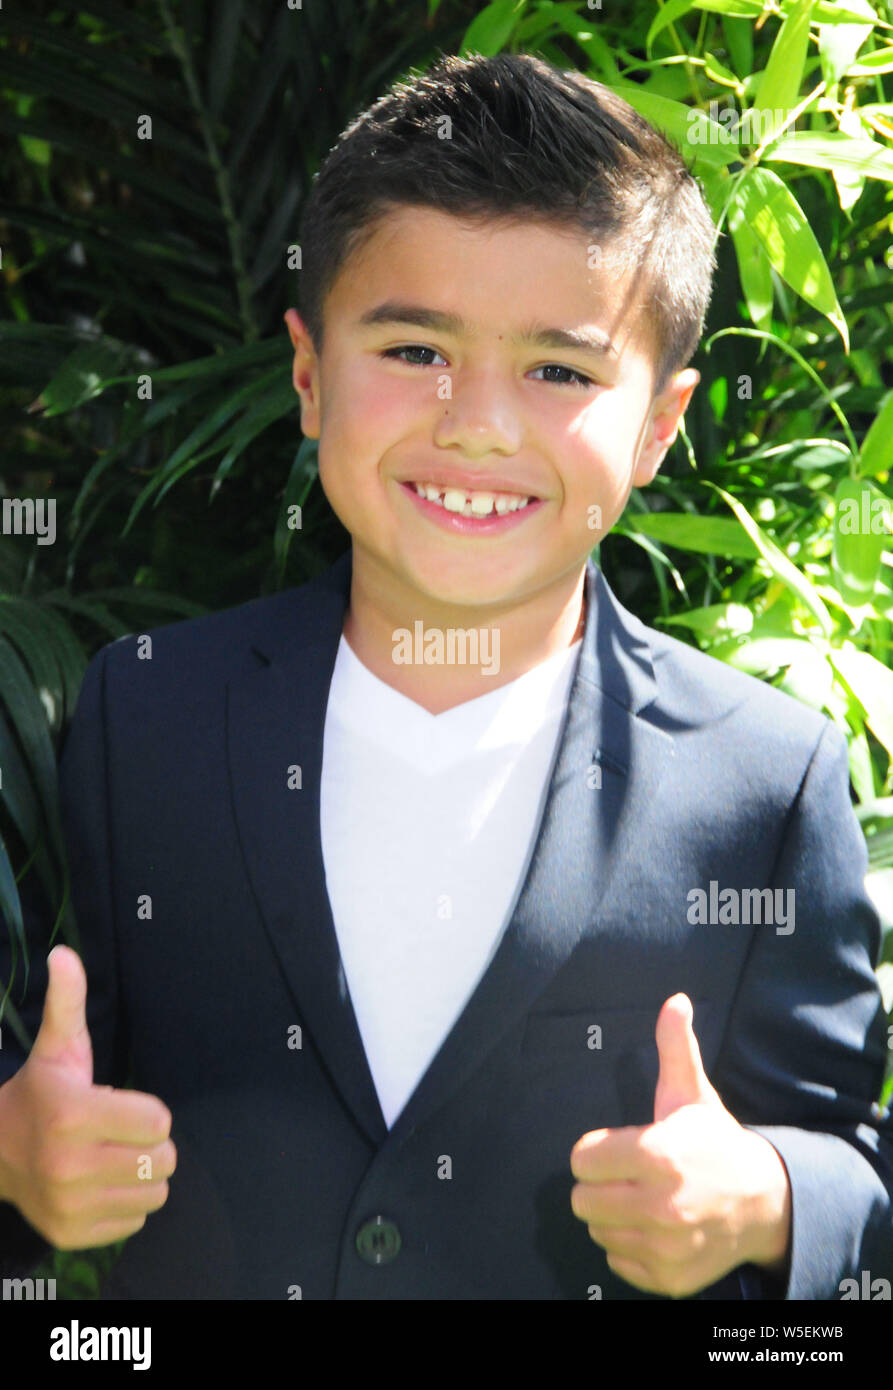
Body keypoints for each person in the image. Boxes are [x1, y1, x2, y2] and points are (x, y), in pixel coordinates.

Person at [0, 51, 890, 1301]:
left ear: (657, 427)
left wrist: (766, 1200)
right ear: (309, 378)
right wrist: (15, 1159)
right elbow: (51, 1082)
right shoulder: (141, 714)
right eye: (415, 349)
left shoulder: (764, 779)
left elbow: (855, 1159)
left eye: (559, 370)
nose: (477, 422)